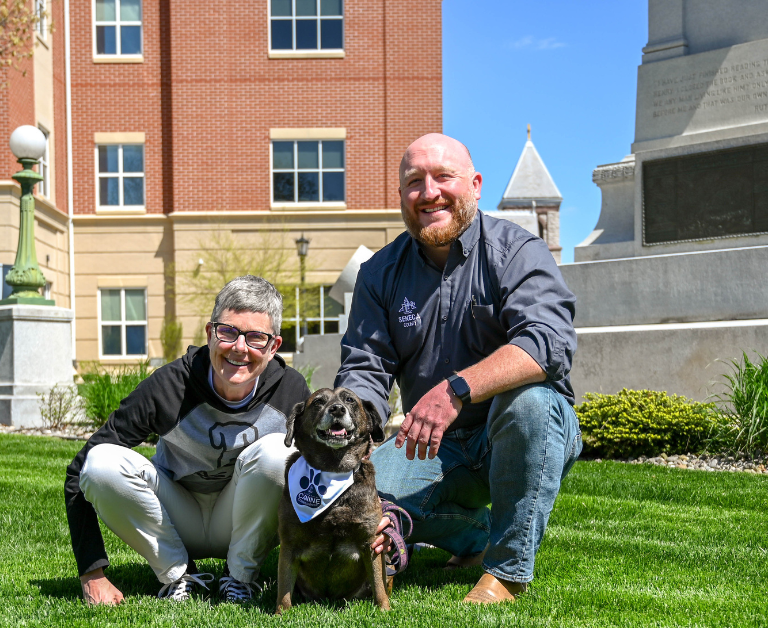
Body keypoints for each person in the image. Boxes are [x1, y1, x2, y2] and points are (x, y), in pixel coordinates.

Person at [337, 133, 582, 604]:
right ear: (402, 195)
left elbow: (547, 344)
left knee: (530, 402)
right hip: (433, 444)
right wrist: (347, 440)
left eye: (443, 177)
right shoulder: (379, 274)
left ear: (474, 185)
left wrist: (456, 390)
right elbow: (365, 368)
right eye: (414, 181)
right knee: (362, 499)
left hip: (517, 431)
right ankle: (475, 536)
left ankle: (508, 571)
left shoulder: (517, 251)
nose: (429, 192)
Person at [65, 275, 309, 605]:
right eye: (228, 332)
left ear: (273, 346)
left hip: (243, 520)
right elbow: (78, 472)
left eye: (255, 338)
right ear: (210, 333)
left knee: (280, 454)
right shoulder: (170, 386)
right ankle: (177, 575)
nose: (239, 348)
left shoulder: (290, 391)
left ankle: (239, 577)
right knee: (100, 463)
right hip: (175, 518)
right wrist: (91, 573)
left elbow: (318, 474)